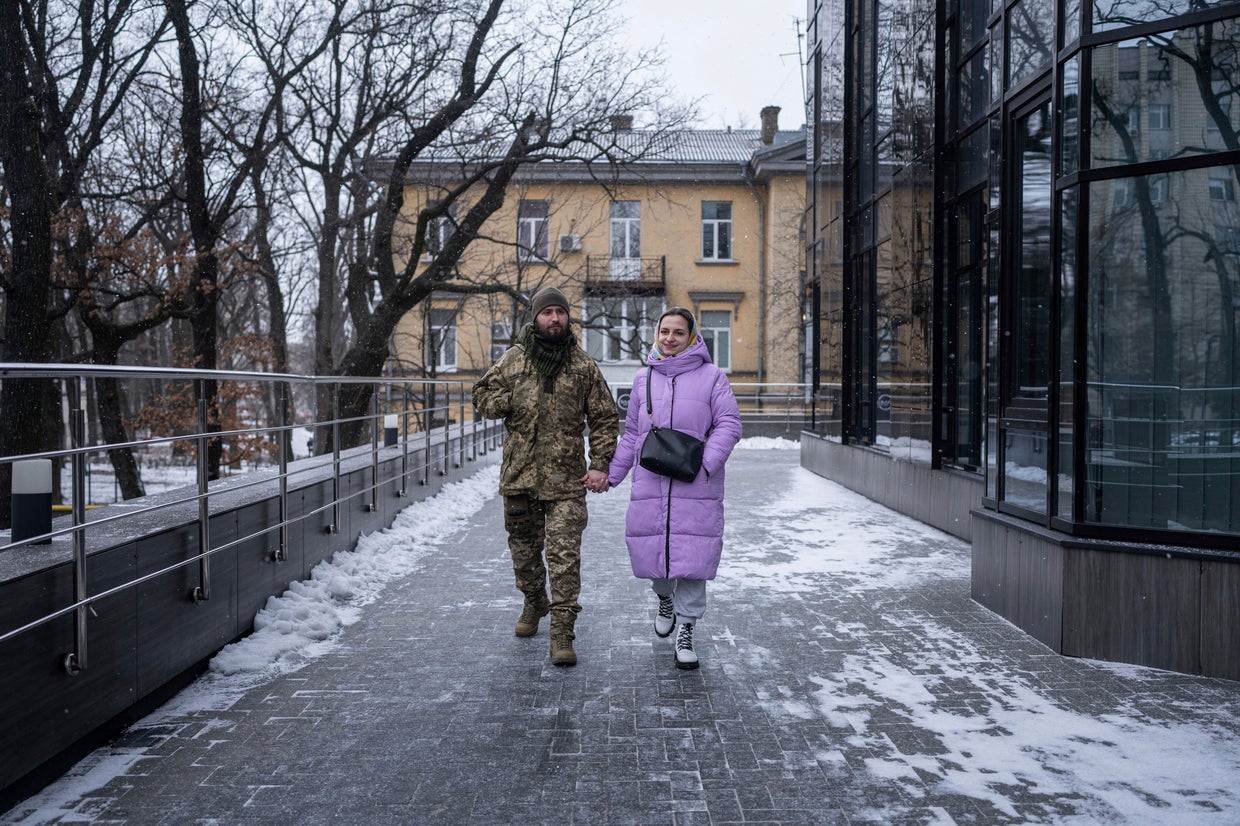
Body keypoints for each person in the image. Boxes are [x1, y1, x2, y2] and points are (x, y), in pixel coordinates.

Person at [472, 286, 618, 667]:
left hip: (569, 482)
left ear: (568, 318)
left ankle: (562, 631)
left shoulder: (583, 366)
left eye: (561, 312)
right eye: (547, 312)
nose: (555, 318)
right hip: (520, 477)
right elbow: (482, 396)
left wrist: (601, 463)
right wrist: (507, 401)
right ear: (535, 318)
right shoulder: (513, 360)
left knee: (564, 557)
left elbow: (604, 418)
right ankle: (534, 600)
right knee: (524, 555)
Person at [602, 307, 741, 669]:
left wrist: (705, 464)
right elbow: (633, 434)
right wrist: (612, 474)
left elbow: (729, 424)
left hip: (696, 484)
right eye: (665, 331)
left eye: (679, 332)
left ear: (693, 337)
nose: (670, 338)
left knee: (693, 561)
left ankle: (687, 629)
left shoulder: (713, 378)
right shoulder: (642, 379)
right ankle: (664, 597)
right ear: (656, 334)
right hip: (651, 480)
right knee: (655, 559)